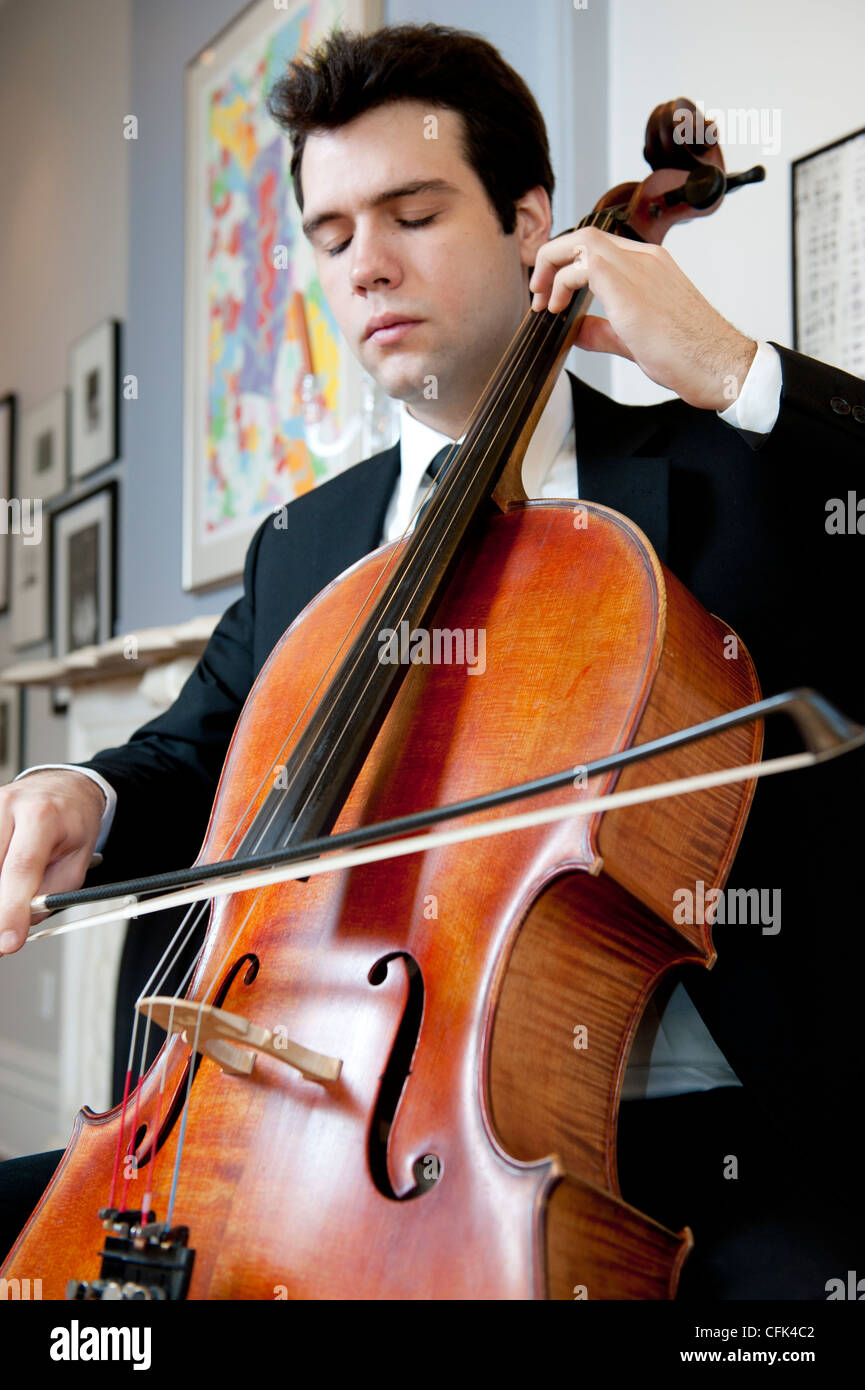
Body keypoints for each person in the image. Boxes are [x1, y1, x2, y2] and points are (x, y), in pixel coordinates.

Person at [0, 23, 862, 1298]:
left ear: (531, 224)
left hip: (694, 1143)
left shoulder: (728, 469)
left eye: (411, 211)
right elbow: (196, 750)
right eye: (334, 235)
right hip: (321, 1117)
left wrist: (734, 370)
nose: (367, 268)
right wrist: (86, 793)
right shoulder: (307, 542)